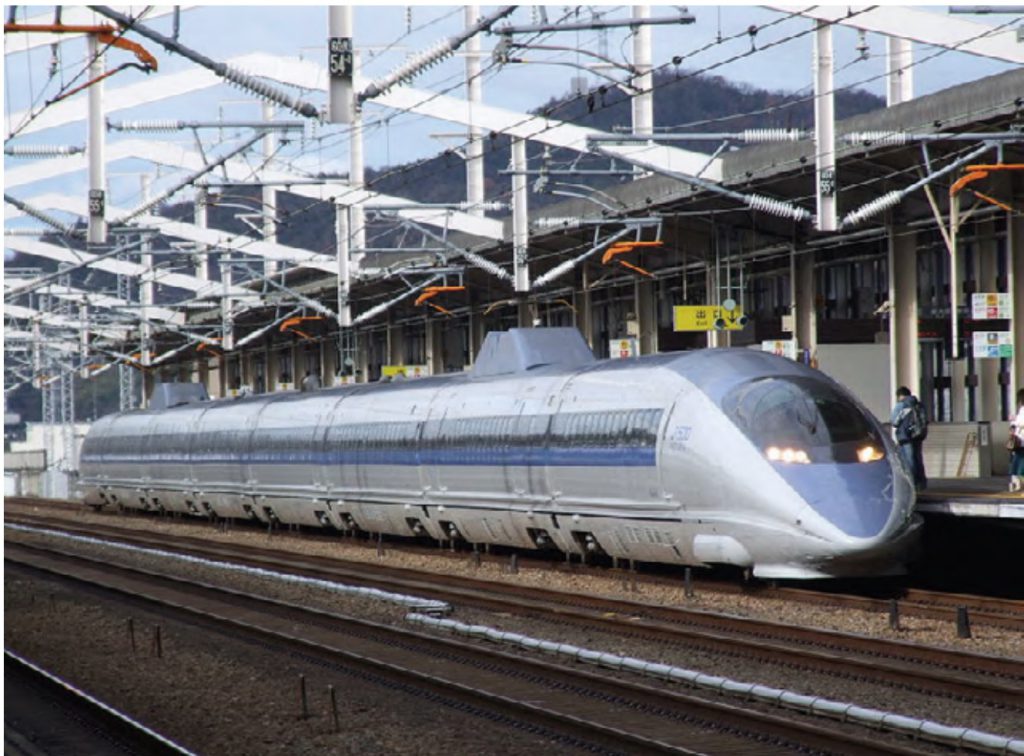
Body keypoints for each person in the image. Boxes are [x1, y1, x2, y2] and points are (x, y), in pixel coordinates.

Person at [891, 386, 927, 491]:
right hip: (918, 435)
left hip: (906, 437)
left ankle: (911, 483)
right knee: (918, 459)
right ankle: (922, 483)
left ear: (900, 395)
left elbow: (894, 422)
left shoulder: (901, 405)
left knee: (908, 460)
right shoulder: (919, 405)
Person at [1009, 389, 1024, 493]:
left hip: (1020, 442)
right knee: (1018, 463)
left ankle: (1017, 483)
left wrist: (1014, 422)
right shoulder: (1021, 411)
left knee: (1018, 463)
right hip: (1020, 442)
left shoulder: (1022, 410)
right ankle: (1017, 483)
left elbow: (1019, 423)